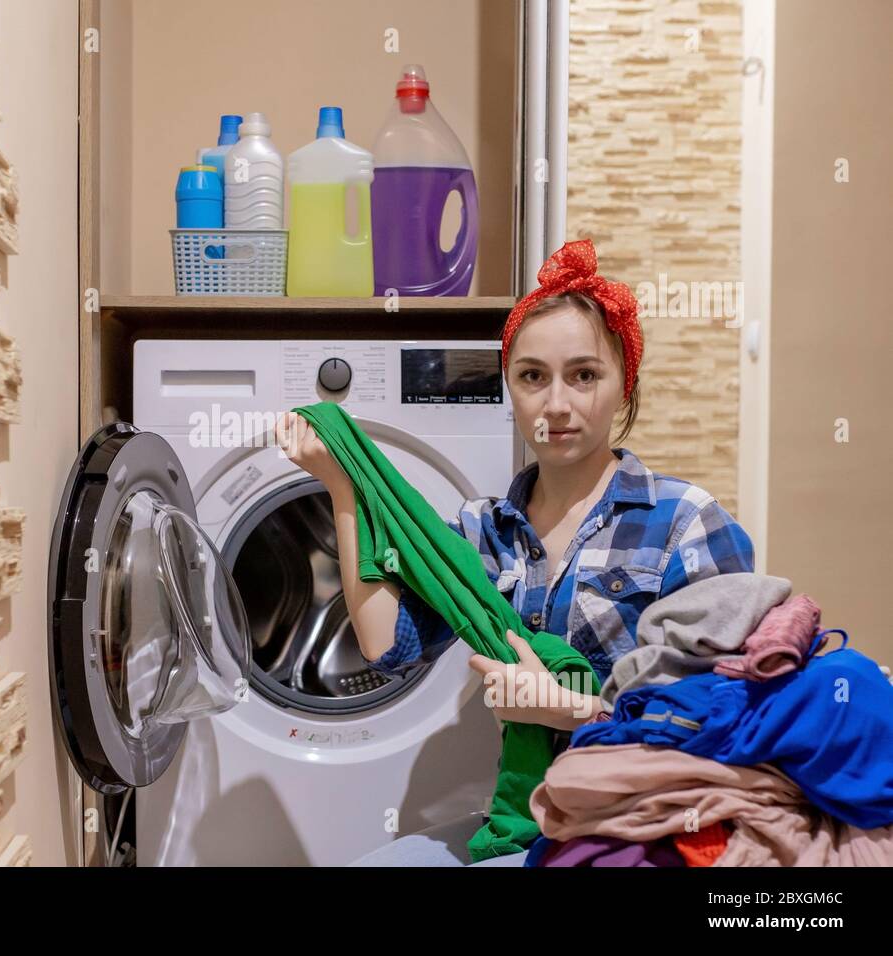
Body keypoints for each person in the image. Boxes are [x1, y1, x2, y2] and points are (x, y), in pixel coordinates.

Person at [274, 238, 756, 866]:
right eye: (532, 377)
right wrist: (342, 485)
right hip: (527, 817)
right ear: (510, 387)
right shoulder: (482, 530)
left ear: (624, 383)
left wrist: (571, 710)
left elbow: (733, 714)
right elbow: (383, 644)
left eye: (584, 375)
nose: (556, 405)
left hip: (643, 826)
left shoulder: (685, 522)